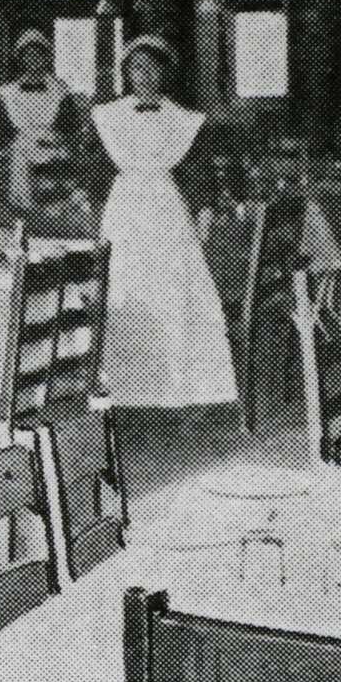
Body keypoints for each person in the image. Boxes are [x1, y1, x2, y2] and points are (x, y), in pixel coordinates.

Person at [88, 36, 237, 413]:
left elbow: (201, 175)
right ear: (126, 72)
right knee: (123, 288)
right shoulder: (108, 117)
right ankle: (122, 385)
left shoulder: (183, 120)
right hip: (124, 213)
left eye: (152, 67)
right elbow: (94, 174)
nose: (145, 76)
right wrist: (93, 208)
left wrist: (202, 216)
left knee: (174, 291)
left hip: (167, 212)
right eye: (136, 67)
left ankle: (179, 387)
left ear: (164, 73)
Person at [0, 28, 82, 214]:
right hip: (19, 147)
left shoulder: (60, 90)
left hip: (53, 145)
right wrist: (3, 146)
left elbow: (71, 127)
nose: (33, 60)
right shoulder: (8, 92)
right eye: (28, 55)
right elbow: (1, 131)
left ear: (46, 58)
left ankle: (52, 207)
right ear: (20, 59)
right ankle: (23, 209)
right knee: (17, 157)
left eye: (38, 54)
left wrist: (56, 139)